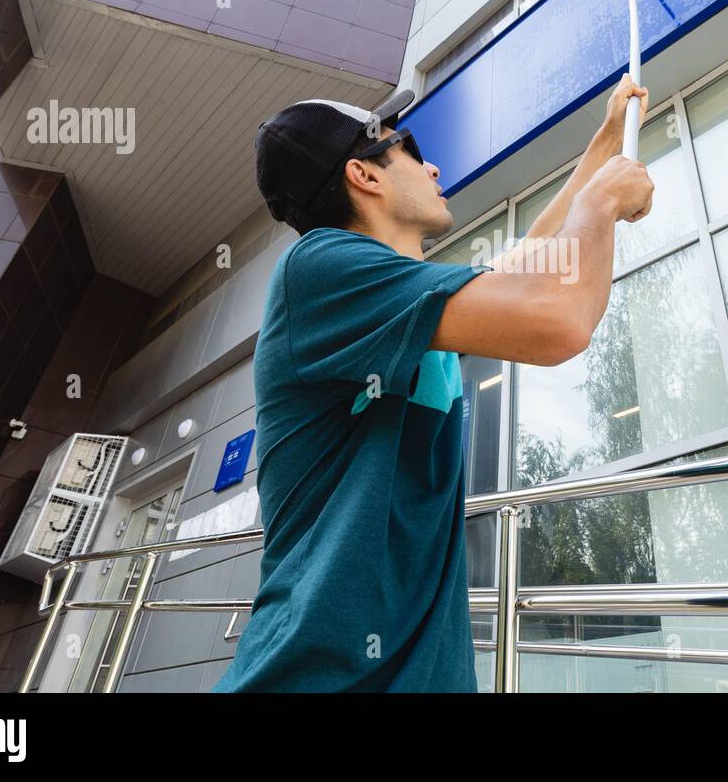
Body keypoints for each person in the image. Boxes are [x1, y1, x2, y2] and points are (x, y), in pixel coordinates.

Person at [211, 75, 652, 692]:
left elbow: (535, 259)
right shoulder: (319, 269)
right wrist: (601, 206)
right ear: (365, 176)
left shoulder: (407, 299)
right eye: (410, 149)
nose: (435, 166)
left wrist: (606, 141)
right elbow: (558, 317)